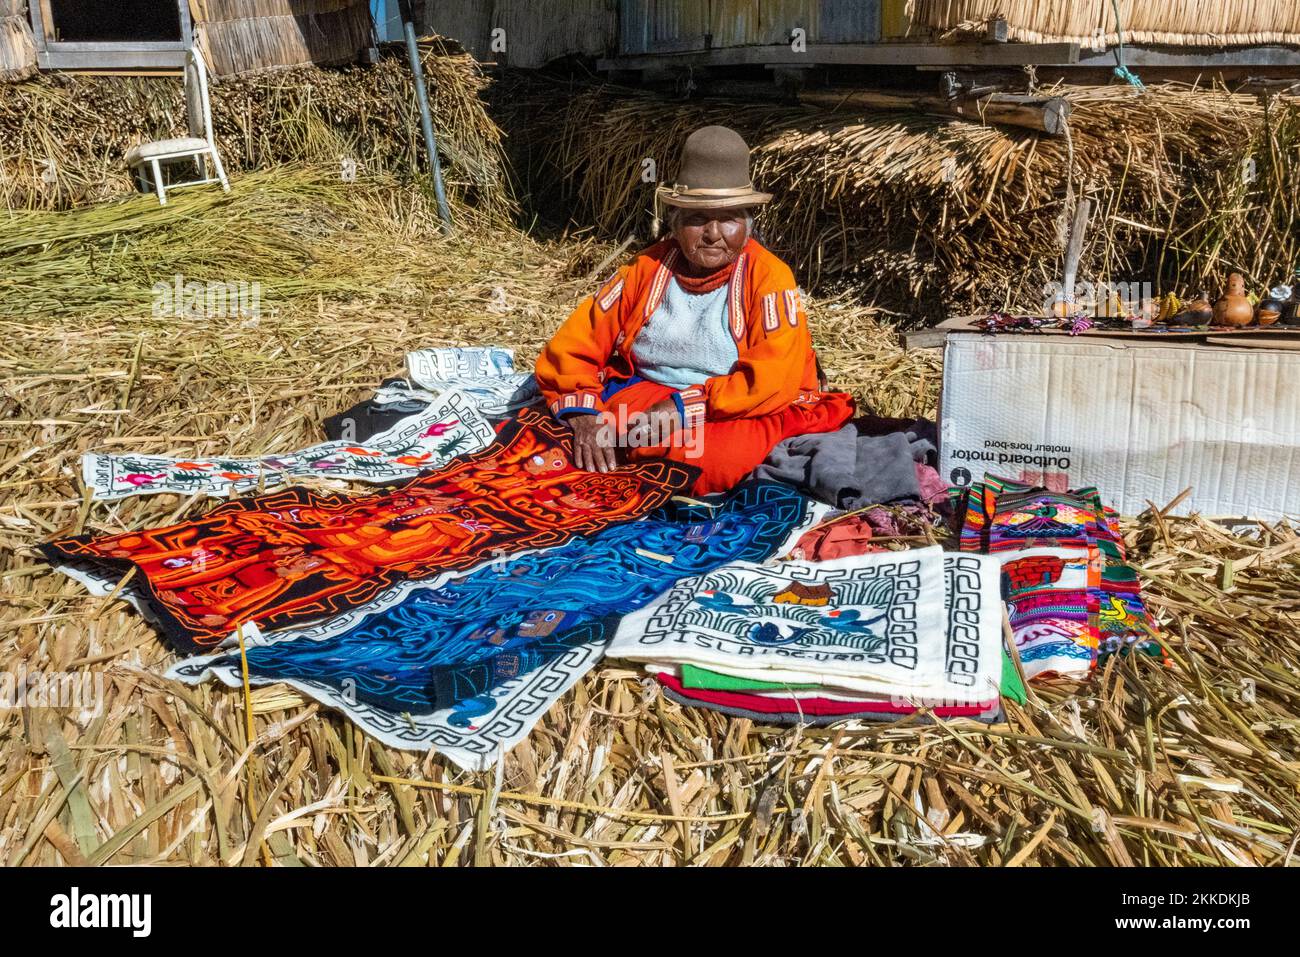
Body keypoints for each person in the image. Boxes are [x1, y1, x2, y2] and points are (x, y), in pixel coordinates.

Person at [535, 125, 854, 495]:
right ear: (676, 222)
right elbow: (575, 346)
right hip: (648, 396)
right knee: (573, 432)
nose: (713, 233)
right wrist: (584, 418)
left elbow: (771, 380)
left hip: (734, 409)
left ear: (748, 225)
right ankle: (632, 448)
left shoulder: (769, 278)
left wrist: (682, 408)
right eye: (698, 219)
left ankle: (639, 456)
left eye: (730, 218)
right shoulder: (646, 269)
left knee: (718, 460)